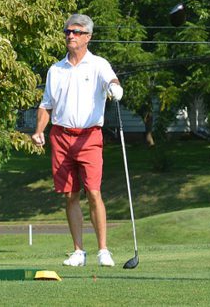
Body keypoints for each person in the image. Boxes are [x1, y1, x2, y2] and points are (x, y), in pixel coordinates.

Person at [31, 14, 123, 268]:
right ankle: (78, 251)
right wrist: (39, 130)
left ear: (88, 37)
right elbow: (46, 105)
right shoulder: (56, 69)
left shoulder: (98, 64)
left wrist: (116, 88)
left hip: (89, 136)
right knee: (70, 195)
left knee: (93, 192)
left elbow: (112, 81)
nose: (70, 35)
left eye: (76, 32)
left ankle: (103, 250)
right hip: (60, 136)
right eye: (67, 31)